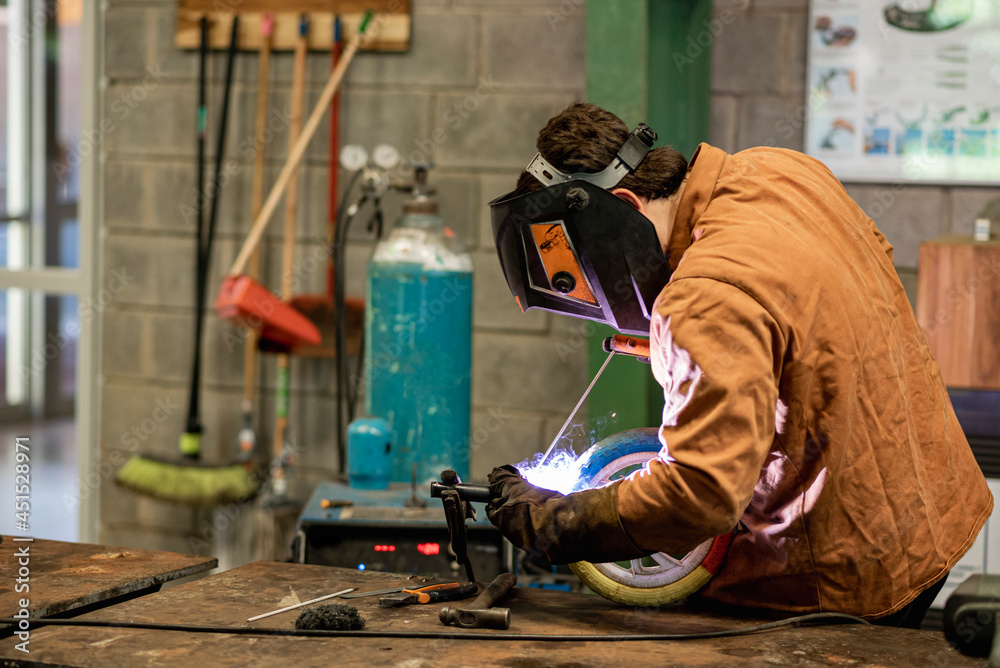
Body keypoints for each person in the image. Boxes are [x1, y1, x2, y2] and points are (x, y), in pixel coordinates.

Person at [485, 102, 992, 627]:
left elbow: (700, 496)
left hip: (842, 579)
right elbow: (826, 306)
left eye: (583, 275)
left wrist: (555, 522)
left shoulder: (704, 297)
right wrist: (712, 354)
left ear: (626, 206)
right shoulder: (780, 171)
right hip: (931, 517)